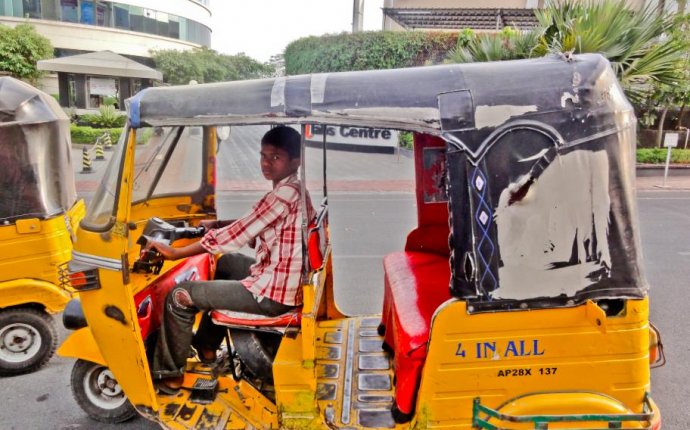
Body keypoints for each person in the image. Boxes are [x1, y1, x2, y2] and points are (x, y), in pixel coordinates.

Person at [146, 126, 314, 394]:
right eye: (263, 155)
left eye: (276, 157)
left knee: (180, 295)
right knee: (225, 264)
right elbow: (252, 222)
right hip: (280, 279)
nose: (266, 163)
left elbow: (237, 234)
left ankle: (170, 374)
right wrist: (216, 224)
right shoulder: (292, 189)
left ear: (296, 161)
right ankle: (207, 346)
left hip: (273, 296)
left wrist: (176, 252)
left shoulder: (283, 195)